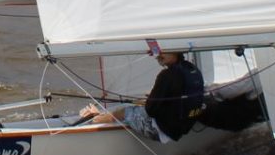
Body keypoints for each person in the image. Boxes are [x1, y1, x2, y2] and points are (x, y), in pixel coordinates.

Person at [74, 49, 203, 141]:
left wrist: (151, 99)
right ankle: (101, 116)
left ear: (176, 51)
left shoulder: (166, 75)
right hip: (181, 126)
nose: (159, 54)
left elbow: (150, 110)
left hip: (161, 130)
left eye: (163, 50)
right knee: (135, 109)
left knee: (124, 112)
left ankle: (95, 119)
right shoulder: (192, 69)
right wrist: (154, 98)